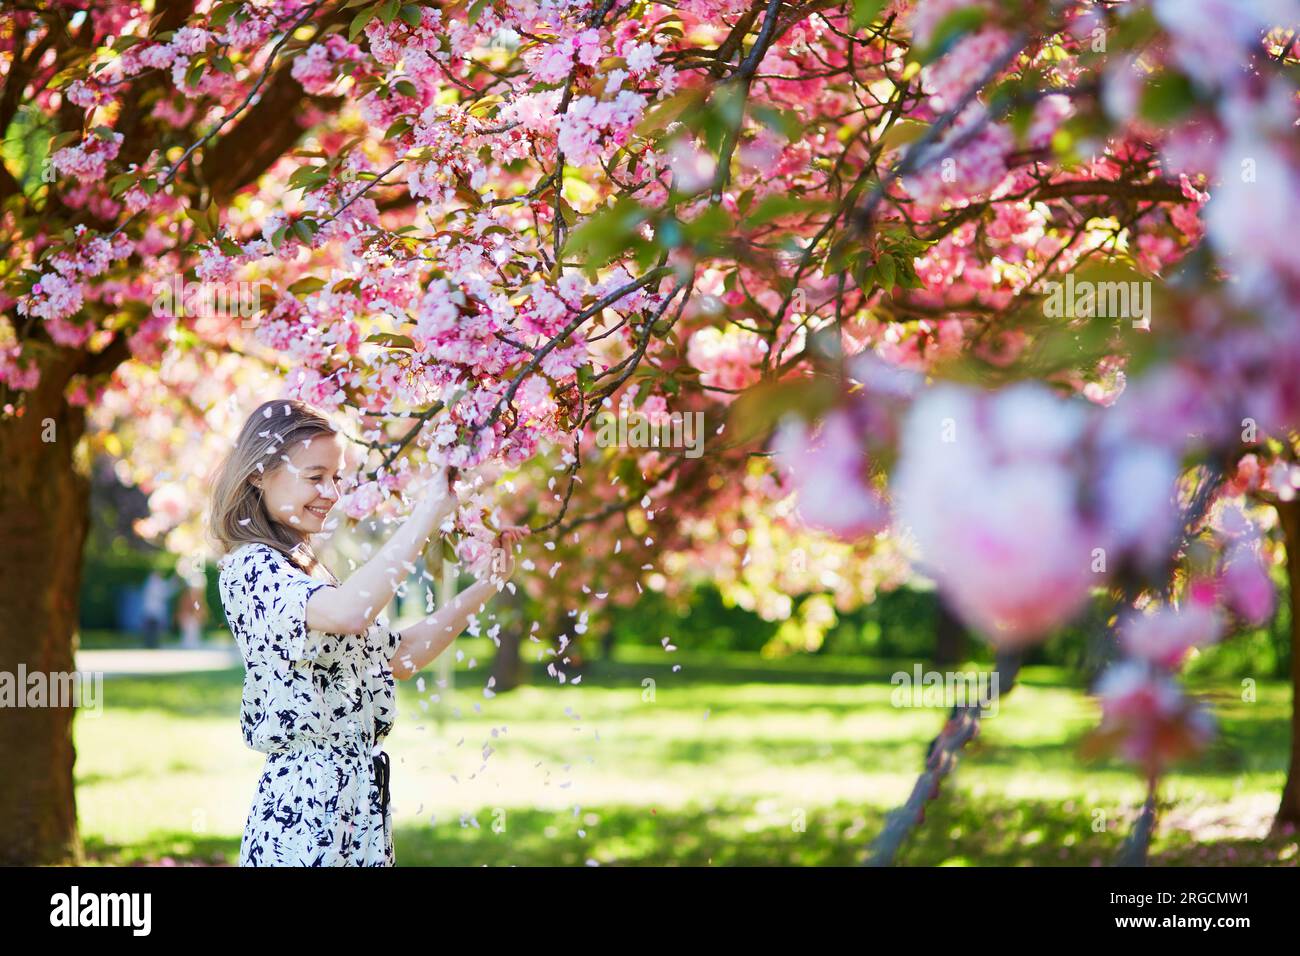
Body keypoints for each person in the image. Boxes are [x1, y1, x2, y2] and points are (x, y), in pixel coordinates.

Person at [208, 398, 526, 866]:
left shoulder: (310, 575)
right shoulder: (251, 568)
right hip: (305, 809)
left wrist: (487, 585)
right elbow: (348, 615)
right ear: (258, 473)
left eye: (335, 478)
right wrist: (427, 514)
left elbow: (402, 657)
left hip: (358, 804)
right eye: (314, 477)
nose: (331, 493)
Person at [139, 570, 175, 649]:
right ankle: (151, 645)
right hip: (152, 611)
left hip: (152, 611)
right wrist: (173, 583)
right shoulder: (153, 584)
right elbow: (164, 592)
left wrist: (173, 582)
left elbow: (166, 589)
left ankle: (151, 644)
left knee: (153, 630)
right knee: (152, 630)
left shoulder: (153, 583)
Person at [175, 578, 209, 648]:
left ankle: (190, 645)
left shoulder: (192, 595)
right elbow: (195, 604)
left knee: (192, 633)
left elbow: (197, 605)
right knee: (189, 633)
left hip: (191, 616)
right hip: (189, 615)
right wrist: (198, 610)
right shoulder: (190, 595)